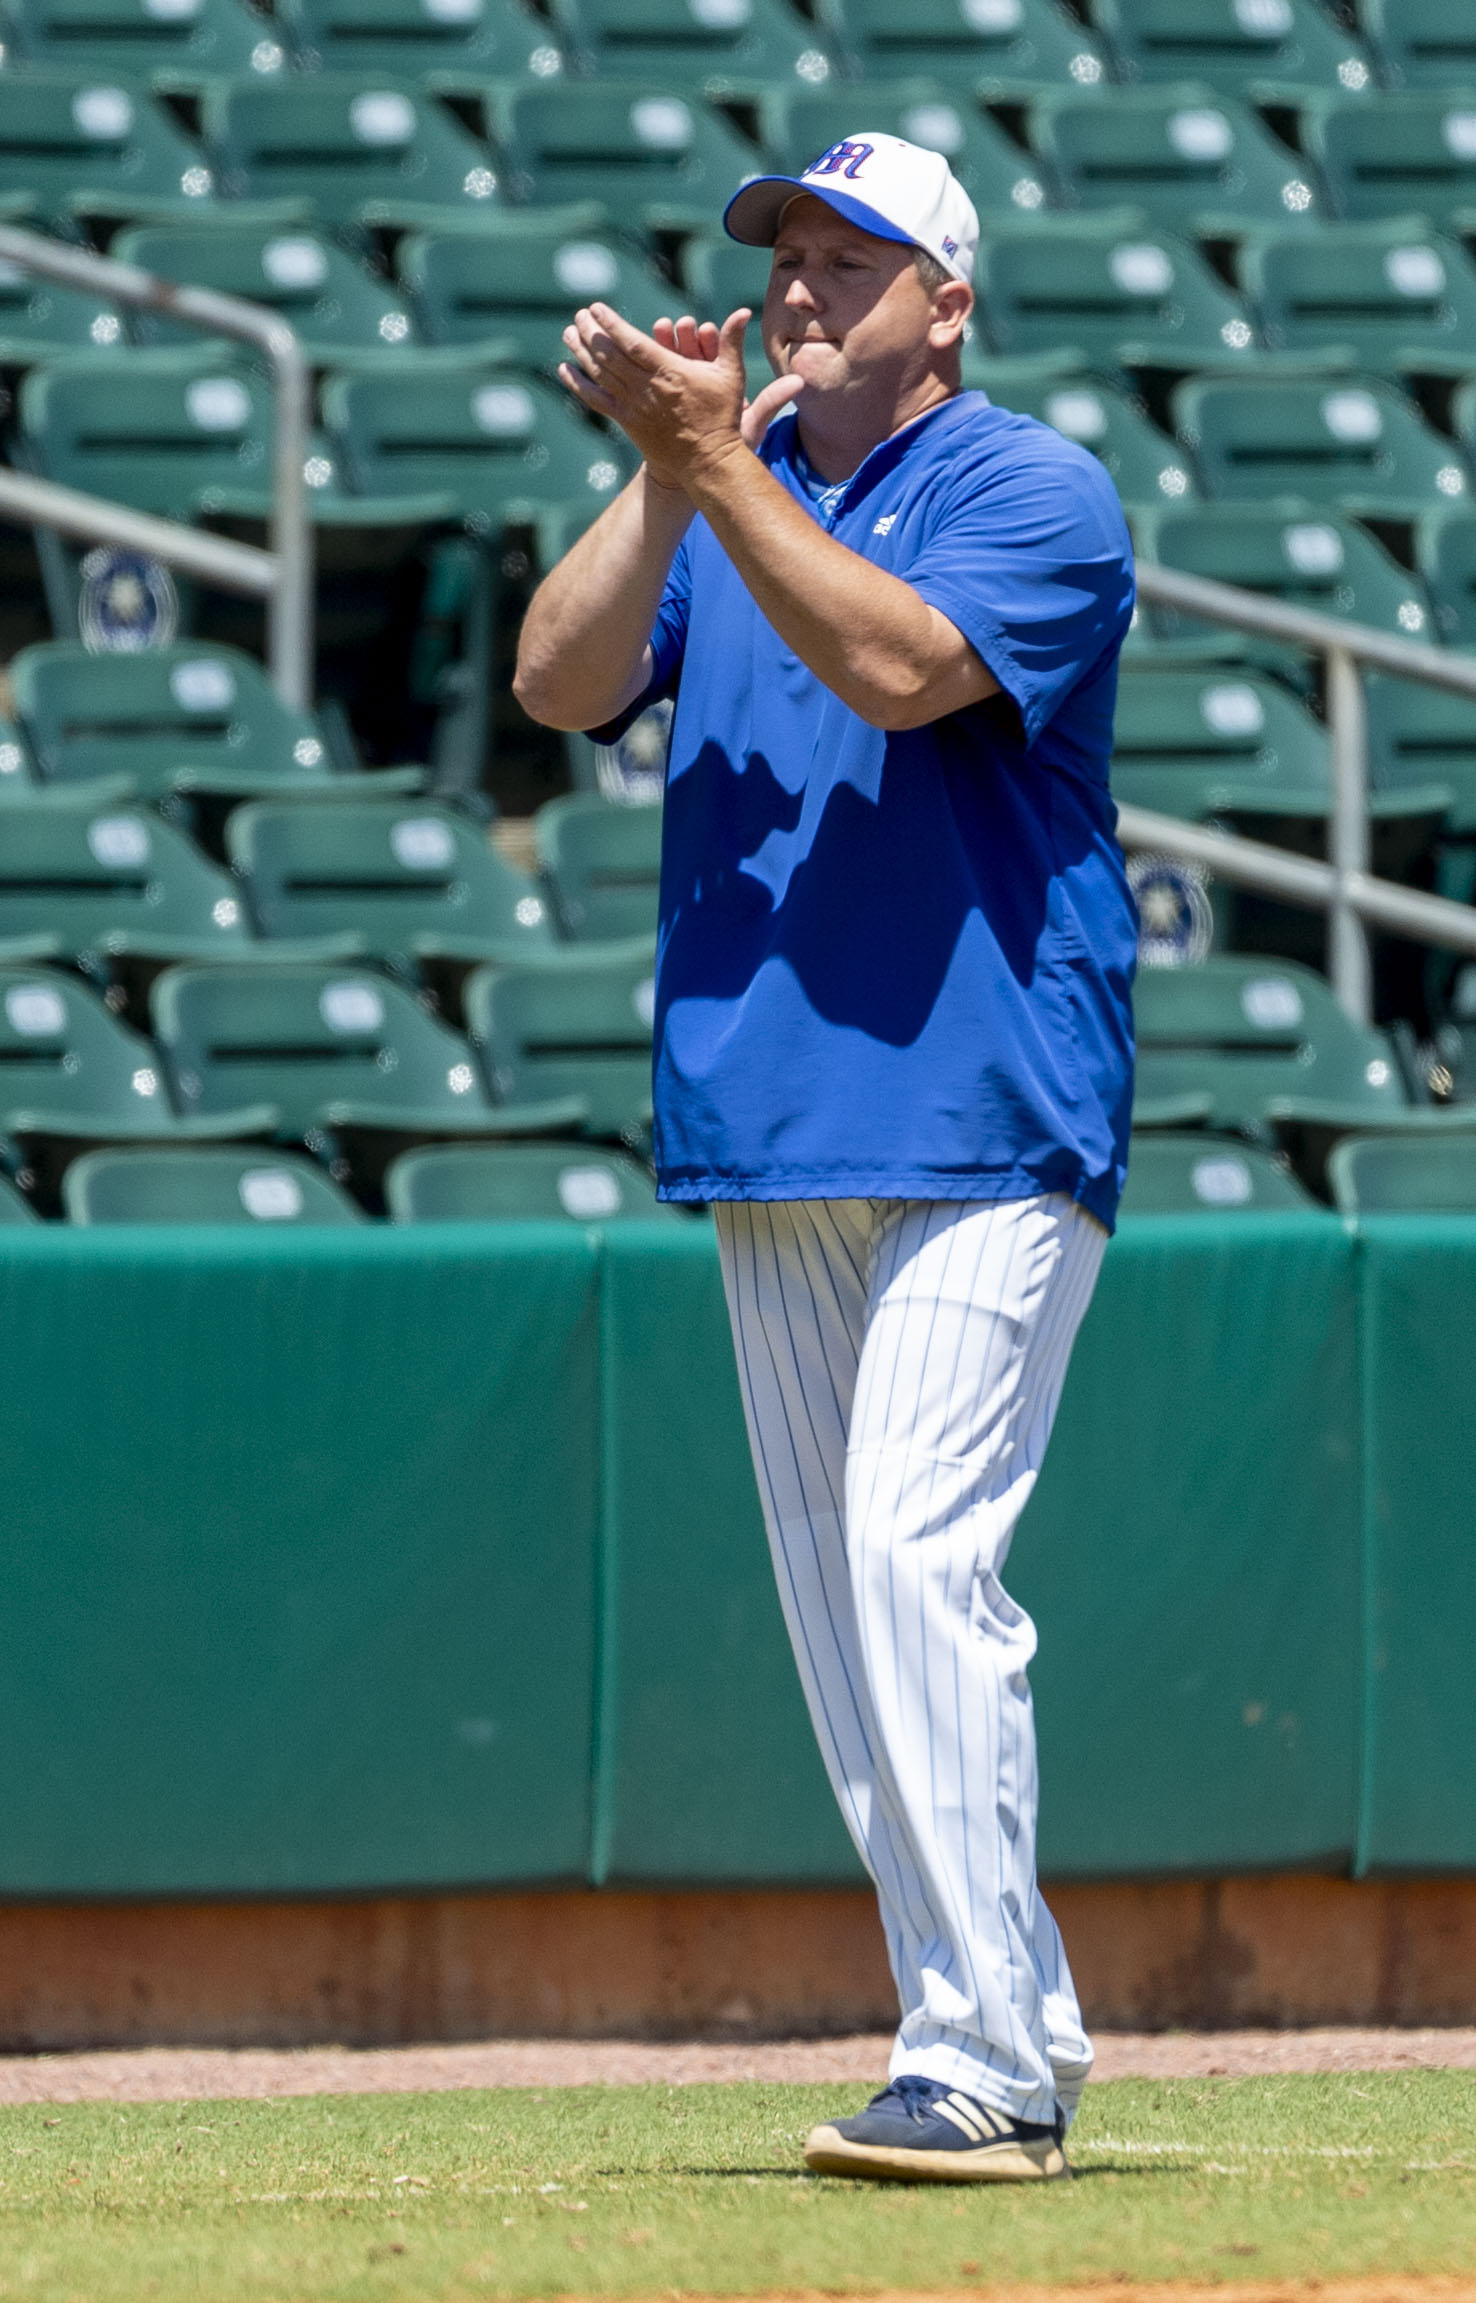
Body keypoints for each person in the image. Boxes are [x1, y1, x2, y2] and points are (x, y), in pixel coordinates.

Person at [515, 132, 1137, 2185]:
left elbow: (892, 662)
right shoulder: (726, 495)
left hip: (986, 1110)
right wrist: (672, 470)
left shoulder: (1033, 489)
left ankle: (982, 2062)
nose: (802, 285)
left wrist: (725, 472)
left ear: (948, 302)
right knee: (845, 1616)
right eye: (787, 249)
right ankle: (1005, 2013)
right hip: (773, 1117)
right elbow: (557, 681)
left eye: (854, 258)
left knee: (911, 1556)